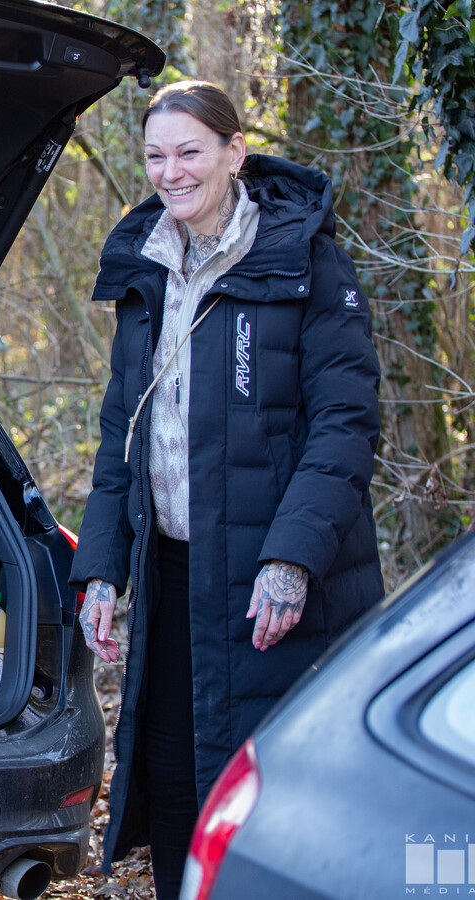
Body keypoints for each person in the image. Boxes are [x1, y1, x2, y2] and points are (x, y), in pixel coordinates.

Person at [69, 81, 383, 899]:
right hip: (175, 579)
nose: (171, 172)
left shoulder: (305, 259)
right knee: (176, 788)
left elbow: (345, 427)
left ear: (235, 153)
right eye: (155, 156)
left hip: (279, 587)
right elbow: (121, 440)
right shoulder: (143, 275)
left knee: (275, 798)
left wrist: (291, 559)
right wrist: (103, 568)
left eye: (190, 152)